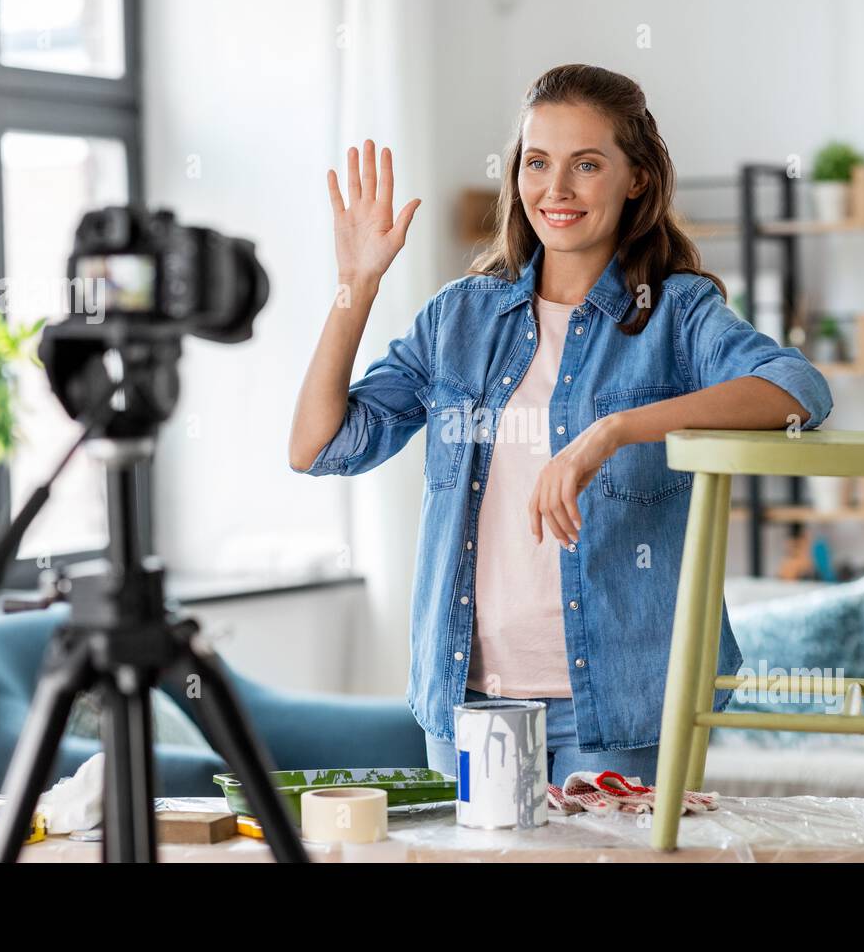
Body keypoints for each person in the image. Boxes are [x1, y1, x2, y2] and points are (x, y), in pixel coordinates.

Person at [289, 63, 832, 787]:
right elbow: (319, 447)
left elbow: (797, 390)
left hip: (621, 707)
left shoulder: (677, 311)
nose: (558, 190)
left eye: (587, 165)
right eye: (538, 163)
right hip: (467, 702)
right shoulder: (460, 318)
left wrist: (612, 431)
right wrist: (356, 285)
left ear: (636, 178)